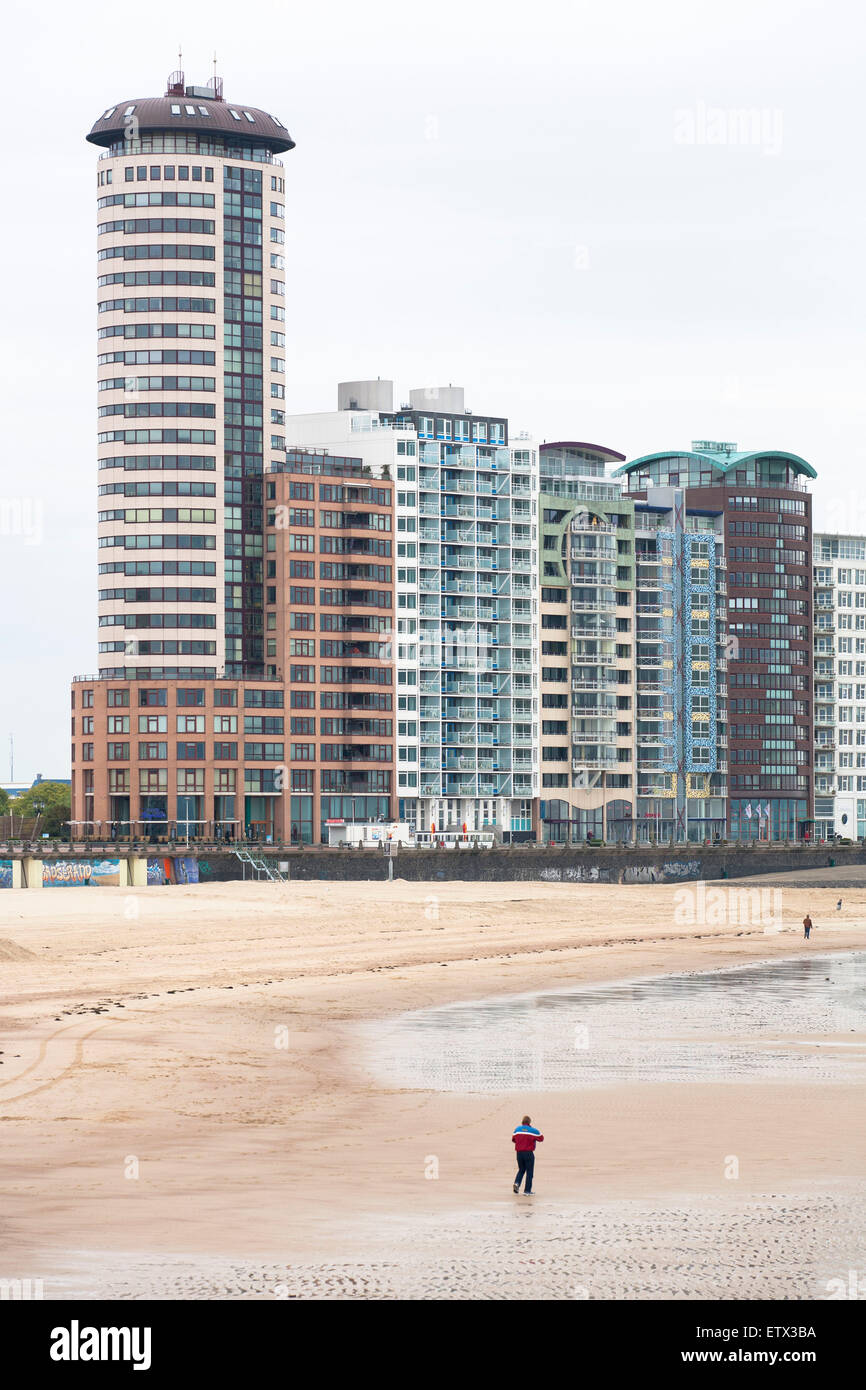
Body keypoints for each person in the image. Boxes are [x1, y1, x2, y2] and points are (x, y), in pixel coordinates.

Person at [512, 1115, 544, 1195]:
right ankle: (527, 1191)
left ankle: (517, 1183)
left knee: (521, 1169)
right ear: (529, 1122)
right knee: (529, 1172)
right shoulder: (533, 1130)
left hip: (519, 1153)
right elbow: (541, 1138)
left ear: (522, 1122)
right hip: (528, 1153)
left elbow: (513, 1139)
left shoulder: (517, 1129)